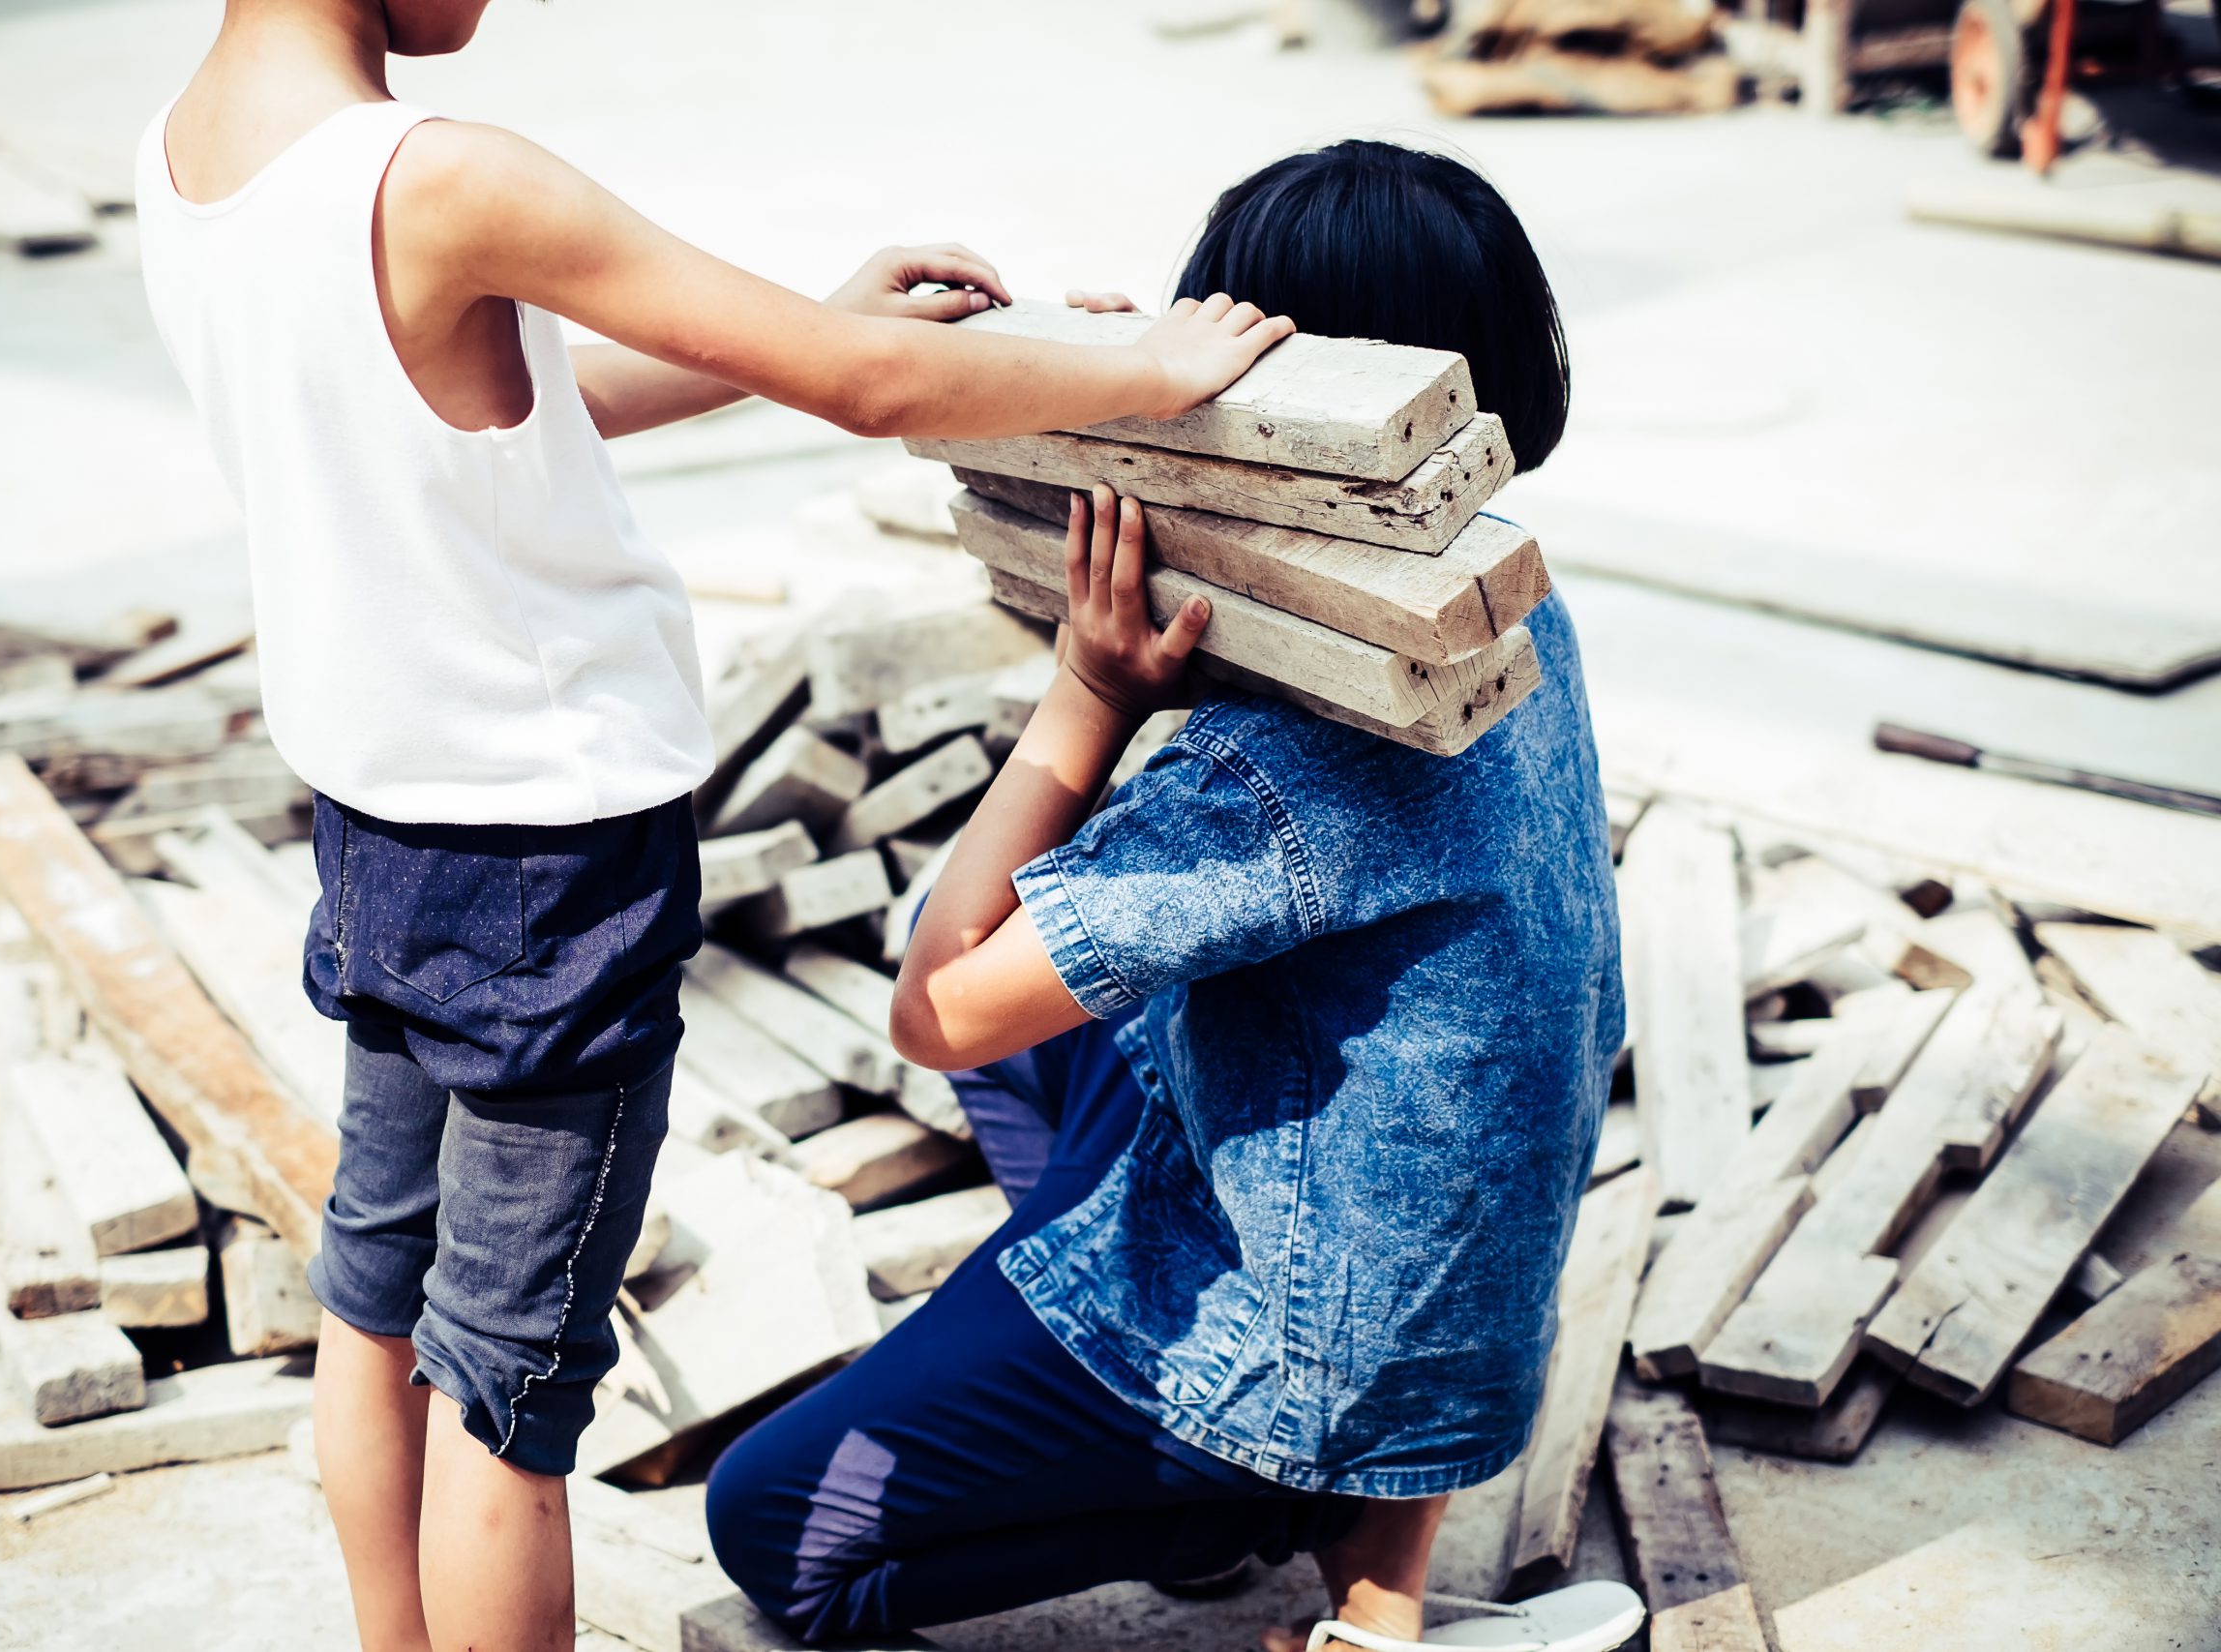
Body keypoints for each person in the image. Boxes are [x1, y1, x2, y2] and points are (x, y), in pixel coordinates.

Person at [133, 4, 1295, 1649]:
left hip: (379, 827)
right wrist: (1136, 367)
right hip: (551, 861)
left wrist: (801, 321)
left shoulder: (187, 156)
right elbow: (874, 387)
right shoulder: (443, 177)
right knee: (509, 1396)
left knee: (373, 1297)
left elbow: (500, 409)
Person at [704, 141, 1638, 1652]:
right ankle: (1243, 1491)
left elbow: (936, 1008)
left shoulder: (1287, 770)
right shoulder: (1497, 603)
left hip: (1295, 1344)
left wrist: (1087, 691)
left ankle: (1224, 1495)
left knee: (778, 1529)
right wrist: (1126, 437)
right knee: (1052, 1001)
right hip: (1432, 1318)